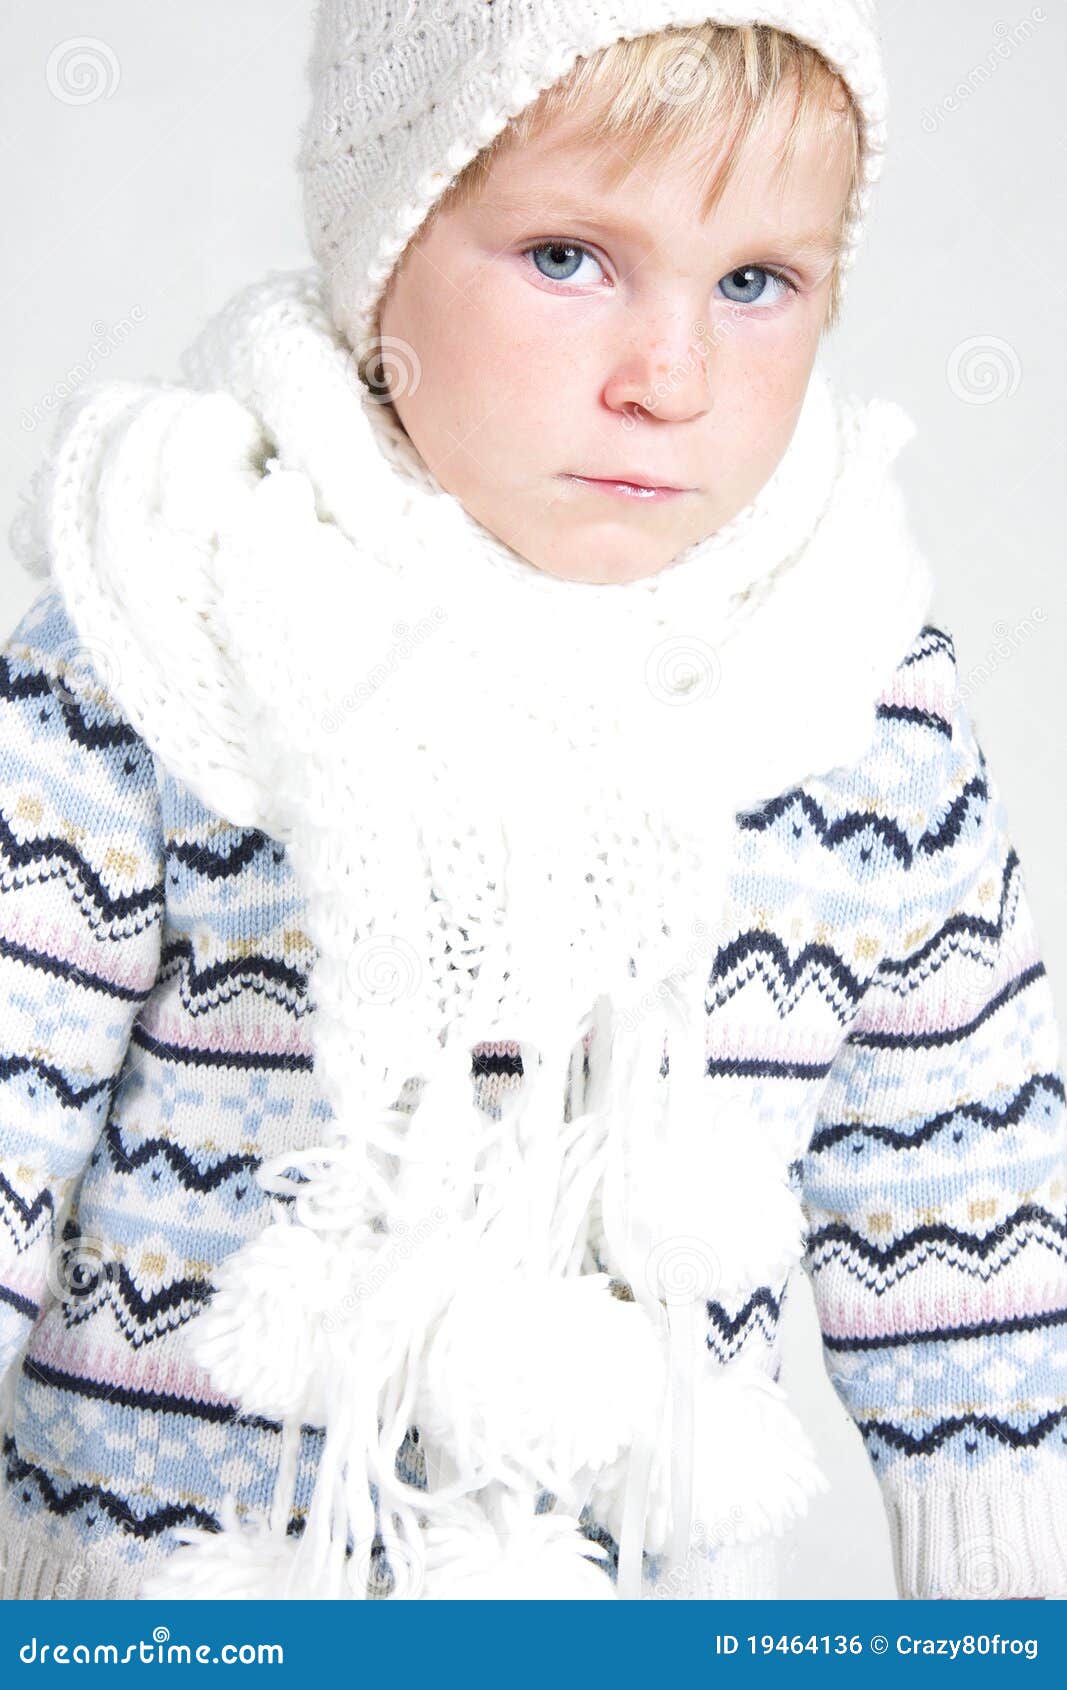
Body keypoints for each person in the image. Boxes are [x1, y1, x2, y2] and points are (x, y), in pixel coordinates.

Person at [0, 0, 1064, 1602]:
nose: (672, 371)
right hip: (170, 1605)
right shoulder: (166, 617)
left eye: (756, 283)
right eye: (570, 257)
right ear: (385, 263)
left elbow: (968, 1194)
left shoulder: (857, 694)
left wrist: (1009, 1596)